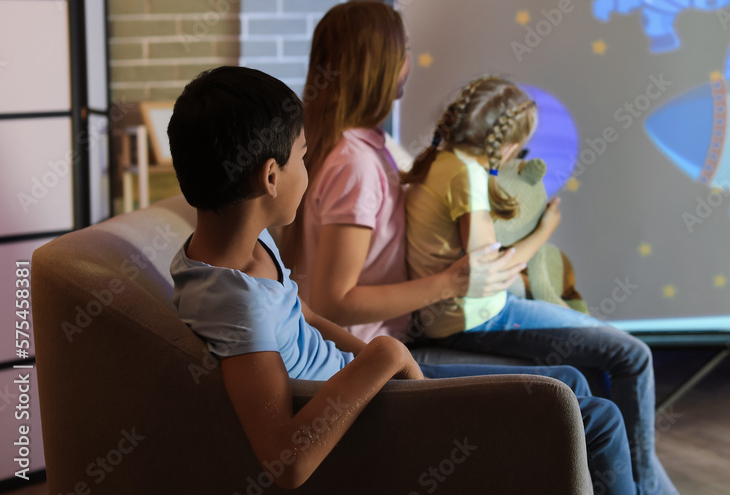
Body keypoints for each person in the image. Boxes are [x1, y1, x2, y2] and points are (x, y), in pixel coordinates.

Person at [167, 64, 636, 493]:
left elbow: (303, 314)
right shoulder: (239, 304)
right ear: (271, 177)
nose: (308, 174)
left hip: (377, 384)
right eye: (304, 158)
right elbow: (285, 462)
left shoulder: (236, 251)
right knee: (599, 419)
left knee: (572, 379)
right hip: (372, 419)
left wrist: (379, 359)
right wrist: (386, 357)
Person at [278, 2, 676, 495]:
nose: (410, 61)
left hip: (399, 338)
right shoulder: (354, 165)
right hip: (379, 354)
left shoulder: (365, 148)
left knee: (588, 372)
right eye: (403, 51)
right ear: (378, 63)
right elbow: (337, 299)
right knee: (580, 383)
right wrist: (451, 281)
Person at [403, 76, 676, 495]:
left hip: (466, 313)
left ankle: (636, 484)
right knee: (631, 356)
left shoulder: (442, 163)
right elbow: (485, 272)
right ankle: (644, 490)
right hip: (477, 317)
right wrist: (545, 230)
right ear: (506, 144)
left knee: (601, 366)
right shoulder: (464, 175)